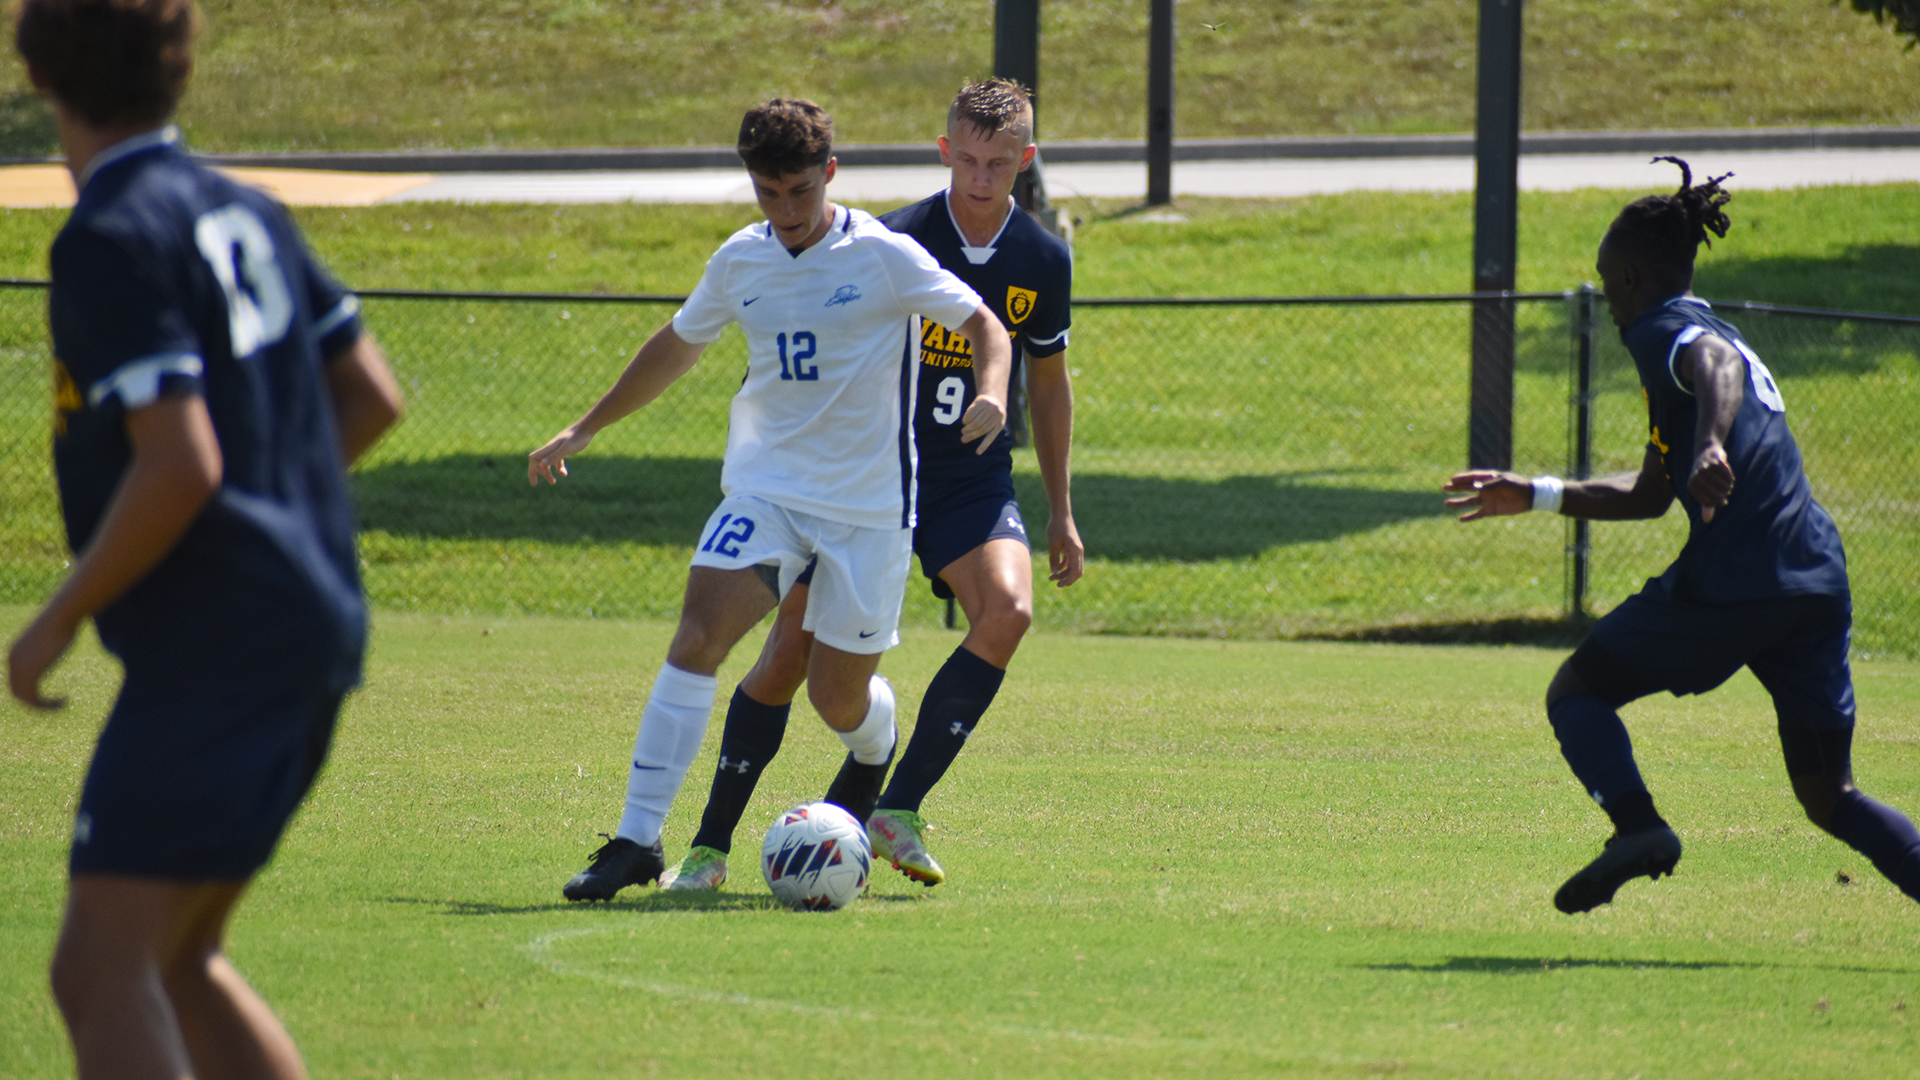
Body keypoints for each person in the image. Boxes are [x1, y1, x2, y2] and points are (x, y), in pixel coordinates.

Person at [5, 2, 404, 1076]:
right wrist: (273, 513)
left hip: (215, 649)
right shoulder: (245, 210)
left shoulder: (108, 237)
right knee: (179, 960)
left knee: (98, 972)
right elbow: (371, 395)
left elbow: (179, 467)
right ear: (179, 66)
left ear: (37, 73)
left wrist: (56, 619)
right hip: (306, 623)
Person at [533, 98, 1013, 901]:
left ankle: (876, 745)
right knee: (698, 635)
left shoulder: (882, 255)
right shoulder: (740, 260)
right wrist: (585, 427)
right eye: (768, 193)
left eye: (800, 191)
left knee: (836, 698)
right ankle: (637, 839)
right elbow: (678, 344)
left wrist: (991, 392)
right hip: (769, 491)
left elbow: (985, 326)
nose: (786, 210)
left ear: (830, 174)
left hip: (868, 510)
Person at [1444, 158, 1920, 914]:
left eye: (1607, 281)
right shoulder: (1709, 331)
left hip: (1738, 580)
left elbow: (1713, 364)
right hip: (1813, 580)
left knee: (1577, 692)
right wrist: (1536, 493)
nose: (1606, 298)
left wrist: (1710, 445)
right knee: (1831, 795)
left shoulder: (1667, 328)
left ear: (1632, 276)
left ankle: (1639, 828)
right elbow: (1647, 494)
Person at [662, 78, 1081, 893]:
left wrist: (1061, 511)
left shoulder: (1043, 258)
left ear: (1025, 161)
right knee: (787, 657)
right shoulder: (892, 240)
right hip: (863, 479)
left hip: (967, 481)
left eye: (999, 163)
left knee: (1010, 609)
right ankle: (708, 850)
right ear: (944, 152)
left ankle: (897, 809)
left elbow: (1051, 381)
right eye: (967, 159)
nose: (981, 177)